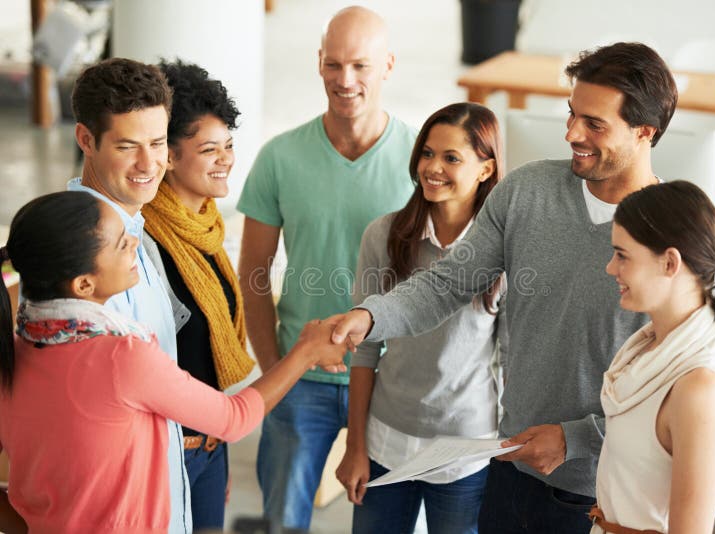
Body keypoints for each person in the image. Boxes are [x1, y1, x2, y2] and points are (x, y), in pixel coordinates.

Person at [329, 42, 678, 531]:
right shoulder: (526, 192)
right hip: (510, 465)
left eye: (594, 124)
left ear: (646, 131)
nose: (572, 133)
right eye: (572, 114)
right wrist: (370, 317)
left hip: (602, 487)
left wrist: (576, 439)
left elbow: (676, 386)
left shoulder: (675, 233)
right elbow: (447, 283)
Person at [0, 191, 347, 533]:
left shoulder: (14, 351)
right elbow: (234, 418)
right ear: (84, 284)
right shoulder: (121, 358)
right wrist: (306, 351)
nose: (135, 243)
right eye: (122, 243)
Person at [236, 6, 416, 531]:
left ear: (388, 65)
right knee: (283, 521)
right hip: (302, 376)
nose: (346, 80)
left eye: (361, 66)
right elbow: (253, 274)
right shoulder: (279, 157)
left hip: (391, 377)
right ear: (318, 64)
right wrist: (275, 370)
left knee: (381, 523)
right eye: (334, 64)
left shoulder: (420, 161)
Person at [335, 102, 506, 534]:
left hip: (465, 449)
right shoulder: (384, 236)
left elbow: (514, 357)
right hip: (385, 437)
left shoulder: (505, 254)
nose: (433, 167)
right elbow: (365, 349)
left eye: (452, 158)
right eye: (428, 153)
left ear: (486, 170)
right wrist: (355, 446)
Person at [590, 180, 715, 533]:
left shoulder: (700, 389)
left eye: (622, 255)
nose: (610, 268)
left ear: (669, 263)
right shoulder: (648, 349)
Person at [67, 57, 194, 533]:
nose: (149, 164)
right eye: (127, 146)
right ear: (85, 139)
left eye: (158, 143)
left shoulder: (136, 232)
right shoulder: (84, 263)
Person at [140, 59, 252, 531]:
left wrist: (216, 449)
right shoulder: (143, 241)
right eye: (210, 149)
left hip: (211, 446)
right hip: (168, 454)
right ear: (167, 155)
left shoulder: (206, 228)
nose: (226, 158)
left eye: (228, 145)